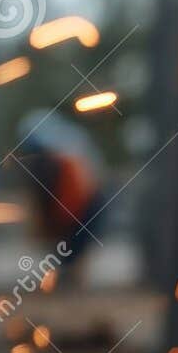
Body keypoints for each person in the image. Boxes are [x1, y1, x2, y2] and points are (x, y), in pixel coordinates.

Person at [12, 110, 108, 280]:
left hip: (82, 209)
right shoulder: (63, 154)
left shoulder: (64, 162)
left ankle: (71, 278)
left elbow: (69, 200)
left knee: (72, 254)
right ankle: (70, 276)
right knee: (69, 254)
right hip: (79, 208)